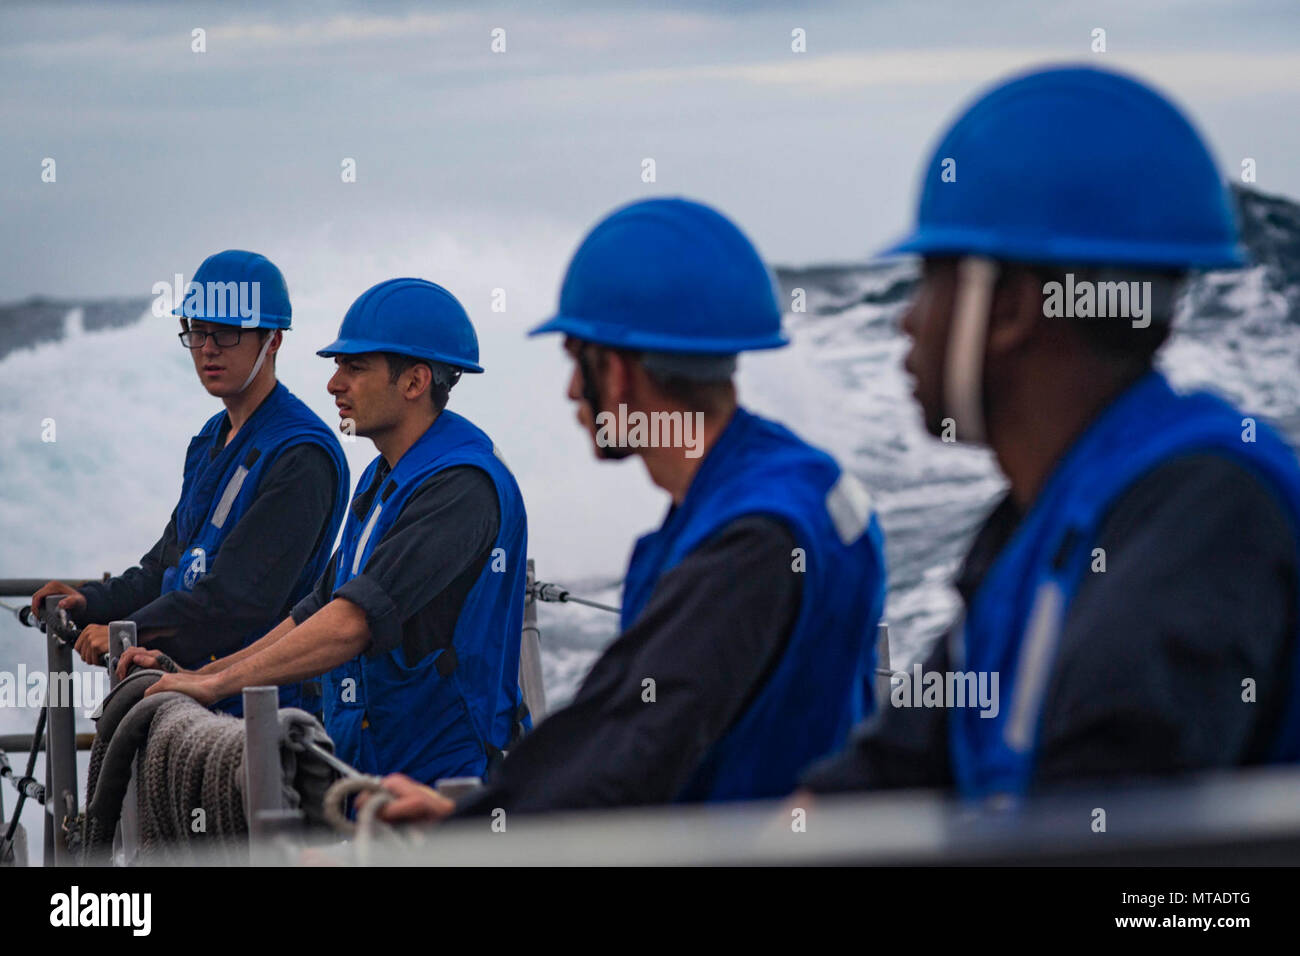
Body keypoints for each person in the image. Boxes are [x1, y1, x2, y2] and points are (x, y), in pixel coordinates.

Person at [800, 64, 1300, 800]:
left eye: (931, 278)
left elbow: (1120, 853)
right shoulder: (1040, 523)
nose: (907, 319)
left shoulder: (1210, 512)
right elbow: (890, 769)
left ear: (1007, 314)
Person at [372, 197, 887, 821]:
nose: (569, 392)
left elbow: (632, 749)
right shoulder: (800, 483)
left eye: (575, 363)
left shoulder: (751, 536)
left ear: (615, 373)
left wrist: (468, 838)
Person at [122, 278, 530, 785]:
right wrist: (202, 678)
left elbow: (352, 622)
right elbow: (316, 611)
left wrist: (216, 684)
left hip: (449, 786)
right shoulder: (383, 476)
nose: (334, 384)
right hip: (373, 770)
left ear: (414, 382)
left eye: (354, 367)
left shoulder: (461, 486)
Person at [33, 250, 348, 715]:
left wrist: (130, 630)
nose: (207, 349)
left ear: (273, 340)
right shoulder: (209, 440)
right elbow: (166, 567)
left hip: (263, 718)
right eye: (197, 332)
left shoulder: (302, 455)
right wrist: (91, 602)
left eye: (225, 333)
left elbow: (238, 600)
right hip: (189, 700)